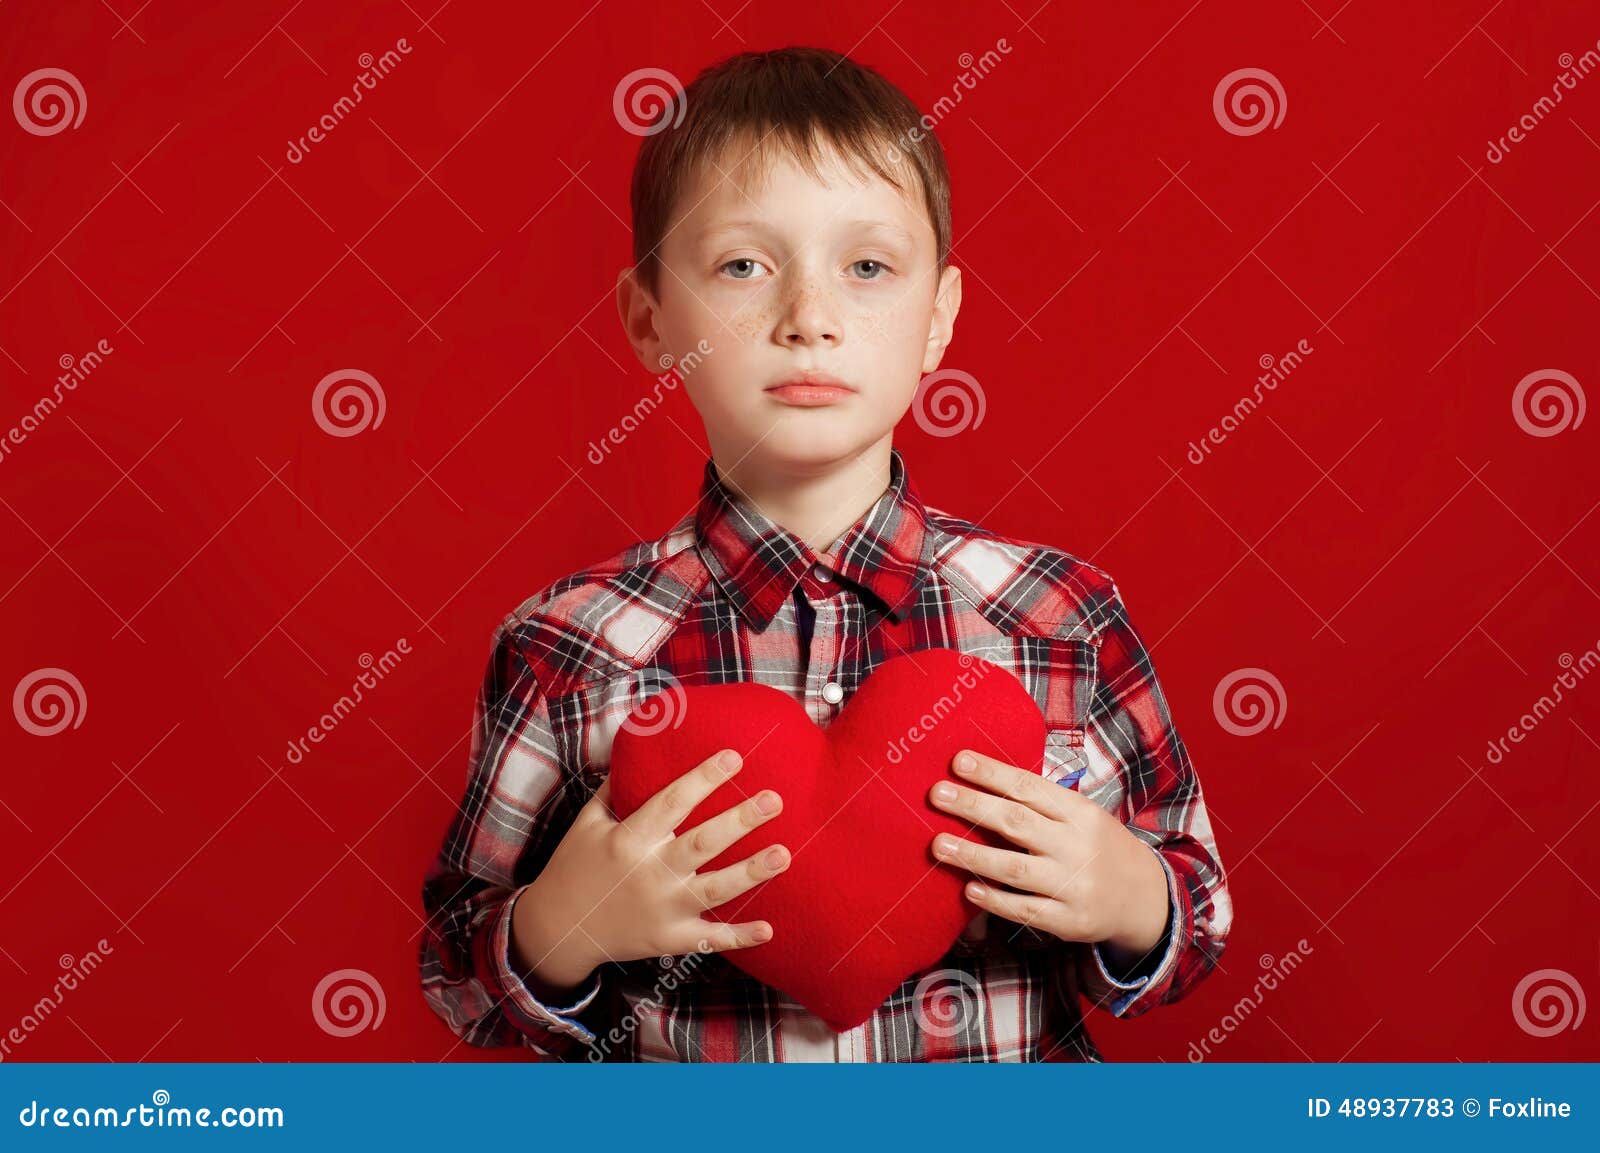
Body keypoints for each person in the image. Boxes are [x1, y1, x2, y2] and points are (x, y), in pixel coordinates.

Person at [419, 44, 1230, 1061]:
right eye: (742, 266)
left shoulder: (1062, 615)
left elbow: (1197, 912)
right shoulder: (567, 645)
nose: (809, 319)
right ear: (650, 317)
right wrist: (555, 930)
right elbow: (456, 968)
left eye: (867, 267)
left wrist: (1130, 894)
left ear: (938, 317)